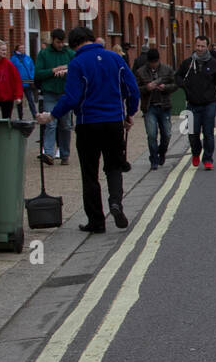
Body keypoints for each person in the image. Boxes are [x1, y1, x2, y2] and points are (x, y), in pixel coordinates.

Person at [37, 27, 140, 232]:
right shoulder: (115, 58)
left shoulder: (77, 63)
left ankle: (96, 221)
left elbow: (72, 97)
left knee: (90, 173)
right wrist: (129, 113)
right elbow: (132, 89)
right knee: (113, 167)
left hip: (88, 123)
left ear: (75, 44)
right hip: (113, 122)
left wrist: (52, 115)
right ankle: (115, 203)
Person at [176, 34, 216, 170]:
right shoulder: (187, 63)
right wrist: (183, 85)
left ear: (207, 47)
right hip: (192, 104)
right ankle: (195, 153)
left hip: (209, 104)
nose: (200, 48)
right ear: (195, 45)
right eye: (198, 46)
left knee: (208, 133)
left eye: (203, 46)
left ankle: (208, 159)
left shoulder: (214, 64)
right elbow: (177, 76)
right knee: (193, 134)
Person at [35, 29, 75, 165]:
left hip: (65, 94)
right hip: (50, 93)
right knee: (50, 123)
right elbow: (38, 73)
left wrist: (66, 68)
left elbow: (78, 66)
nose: (60, 45)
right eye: (58, 42)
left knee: (65, 125)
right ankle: (49, 154)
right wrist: (53, 71)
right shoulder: (44, 54)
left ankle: (65, 154)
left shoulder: (69, 53)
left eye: (62, 42)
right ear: (53, 40)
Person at [135, 48, 177, 170]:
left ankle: (161, 152)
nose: (154, 64)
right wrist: (146, 88)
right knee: (152, 134)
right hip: (149, 107)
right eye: (151, 62)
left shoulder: (167, 69)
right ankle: (154, 158)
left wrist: (165, 87)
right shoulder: (140, 72)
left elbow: (175, 85)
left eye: (156, 62)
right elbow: (136, 89)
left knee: (167, 134)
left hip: (164, 106)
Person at [0, 39, 24, 119]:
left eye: (6, 50)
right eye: (3, 50)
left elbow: (17, 80)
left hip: (7, 97)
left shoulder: (9, 64)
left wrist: (18, 96)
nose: (5, 52)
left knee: (6, 119)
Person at [10, 41, 38, 118]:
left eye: (23, 48)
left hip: (28, 82)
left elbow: (32, 68)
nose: (23, 49)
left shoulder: (28, 58)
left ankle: (34, 114)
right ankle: (20, 116)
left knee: (30, 100)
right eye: (21, 48)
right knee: (19, 101)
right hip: (18, 83)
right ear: (17, 50)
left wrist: (32, 77)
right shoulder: (13, 59)